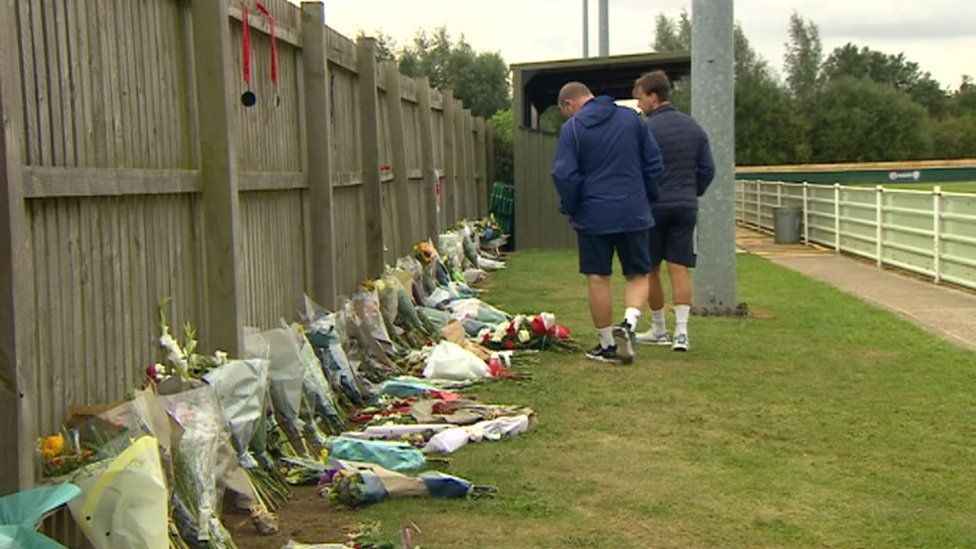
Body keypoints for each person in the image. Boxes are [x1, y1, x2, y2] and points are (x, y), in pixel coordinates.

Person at [551, 82, 664, 364]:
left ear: (569, 104)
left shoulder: (573, 129)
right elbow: (653, 163)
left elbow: (565, 174)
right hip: (633, 210)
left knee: (598, 277)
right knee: (638, 274)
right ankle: (629, 322)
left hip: (593, 215)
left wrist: (570, 206)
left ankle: (607, 345)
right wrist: (647, 197)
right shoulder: (632, 119)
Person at [632, 70, 715, 352]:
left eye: (640, 98)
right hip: (685, 204)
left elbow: (637, 169)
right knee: (679, 268)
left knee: (651, 268)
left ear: (653, 97)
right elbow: (707, 169)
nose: (639, 105)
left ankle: (658, 328)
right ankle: (682, 333)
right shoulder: (693, 127)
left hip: (654, 206)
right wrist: (693, 191)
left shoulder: (645, 129)